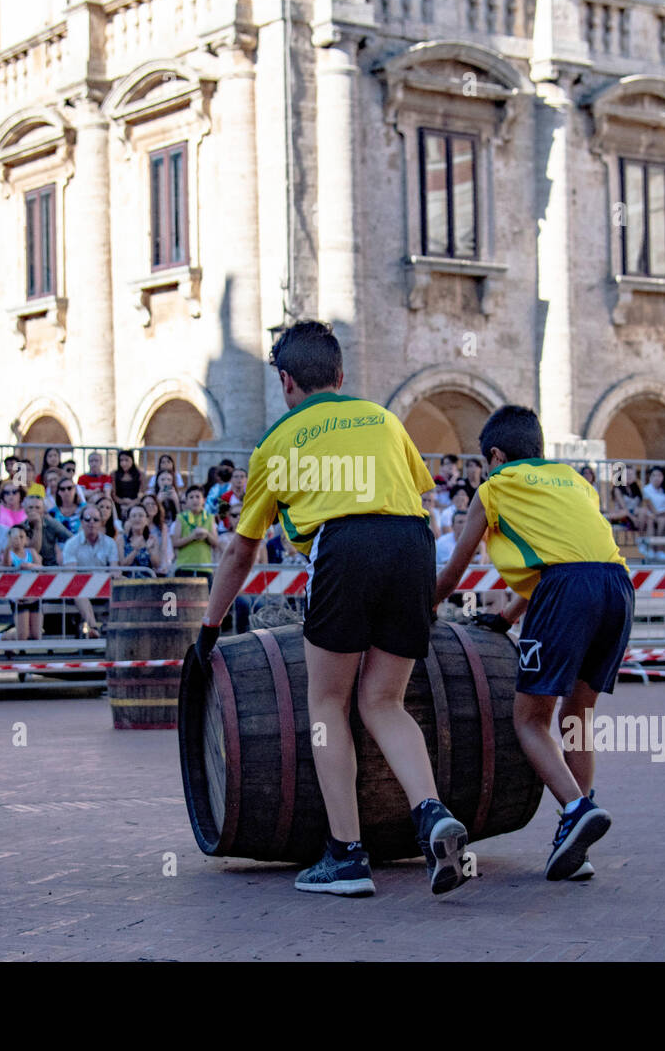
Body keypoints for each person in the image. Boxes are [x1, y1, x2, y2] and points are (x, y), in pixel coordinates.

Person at [194, 319, 469, 898]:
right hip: (412, 543)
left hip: (344, 547)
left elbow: (243, 551)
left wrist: (210, 626)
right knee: (384, 700)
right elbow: (422, 501)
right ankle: (430, 813)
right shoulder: (385, 420)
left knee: (327, 703)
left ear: (286, 382)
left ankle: (345, 855)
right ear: (341, 375)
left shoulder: (274, 444)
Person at [434, 404, 631, 883]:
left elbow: (458, 567)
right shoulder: (574, 482)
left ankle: (576, 808)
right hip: (618, 586)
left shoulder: (495, 487)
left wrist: (424, 607)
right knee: (577, 717)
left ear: (495, 455)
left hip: (566, 590)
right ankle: (576, 848)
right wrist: (505, 617)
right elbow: (564, 557)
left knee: (529, 719)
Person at [59, 504, 118, 638]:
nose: (91, 523)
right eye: (87, 519)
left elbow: (115, 570)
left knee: (120, 583)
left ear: (101, 522)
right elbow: (70, 573)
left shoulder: (110, 543)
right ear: (81, 521)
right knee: (77, 588)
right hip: (80, 587)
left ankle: (112, 627)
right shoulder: (71, 544)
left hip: (104, 586)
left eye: (95, 520)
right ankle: (93, 627)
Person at [1, 524, 42, 642]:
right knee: (22, 636)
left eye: (21, 537)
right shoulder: (8, 554)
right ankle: (1, 637)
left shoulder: (31, 552)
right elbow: (6, 565)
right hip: (18, 596)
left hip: (34, 595)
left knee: (36, 635)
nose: (18, 540)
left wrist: (29, 565)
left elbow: (41, 567)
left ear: (26, 540)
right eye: (14, 538)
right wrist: (7, 548)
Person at [171, 485, 219, 581]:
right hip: (184, 567)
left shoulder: (209, 517)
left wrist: (207, 534)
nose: (195, 500)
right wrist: (192, 537)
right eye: (191, 497)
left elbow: (216, 543)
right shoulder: (181, 517)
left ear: (204, 500)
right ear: (187, 501)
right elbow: (175, 543)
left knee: (206, 596)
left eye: (198, 497)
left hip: (205, 567)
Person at [21, 495, 70, 567]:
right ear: (25, 510)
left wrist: (63, 552)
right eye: (30, 507)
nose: (34, 510)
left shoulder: (51, 523)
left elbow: (71, 538)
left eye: (37, 508)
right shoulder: (21, 527)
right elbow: (32, 551)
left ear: (43, 510)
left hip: (51, 567)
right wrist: (37, 525)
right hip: (30, 568)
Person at [118, 503, 162, 573]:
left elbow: (157, 565)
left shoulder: (152, 539)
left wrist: (149, 549)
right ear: (129, 519)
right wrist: (136, 550)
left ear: (147, 520)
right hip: (126, 581)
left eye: (141, 515)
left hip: (148, 581)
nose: (137, 519)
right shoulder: (122, 539)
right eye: (133, 516)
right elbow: (122, 565)